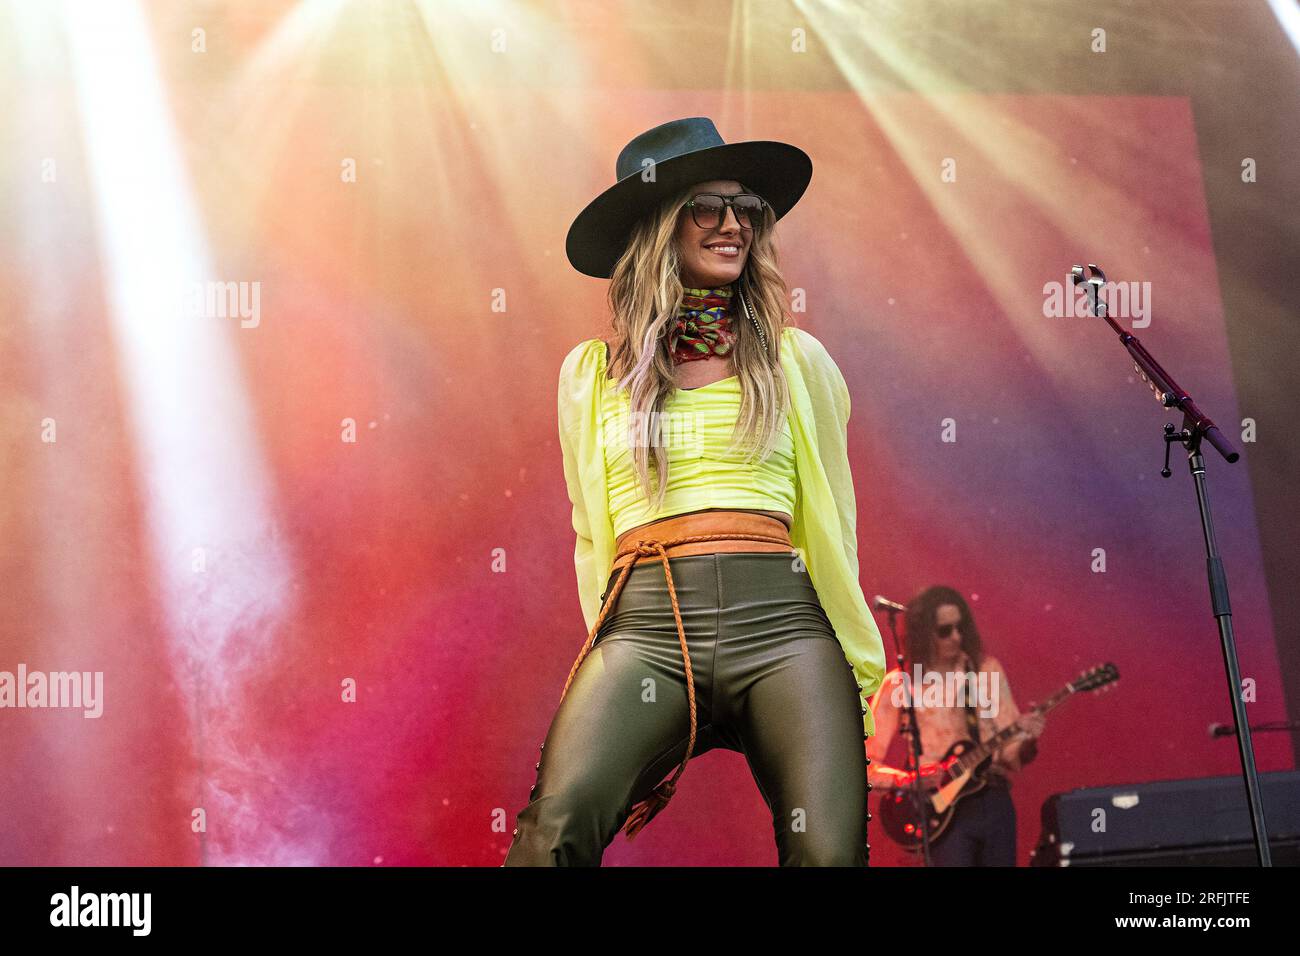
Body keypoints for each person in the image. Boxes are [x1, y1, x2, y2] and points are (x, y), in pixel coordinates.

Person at [502, 117, 888, 866]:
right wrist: (606, 652)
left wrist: (861, 669)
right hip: (647, 626)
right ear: (658, 226)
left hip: (781, 621)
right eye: (707, 208)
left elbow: (833, 524)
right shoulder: (591, 375)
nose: (733, 224)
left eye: (745, 208)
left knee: (829, 853)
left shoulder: (794, 360)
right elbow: (593, 534)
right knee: (556, 826)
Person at [866, 586, 1046, 866]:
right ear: (924, 634)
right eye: (945, 630)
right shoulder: (900, 683)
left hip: (992, 798)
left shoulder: (985, 671)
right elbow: (864, 766)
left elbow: (1010, 755)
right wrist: (908, 781)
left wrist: (1029, 740)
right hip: (939, 809)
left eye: (960, 627)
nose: (956, 637)